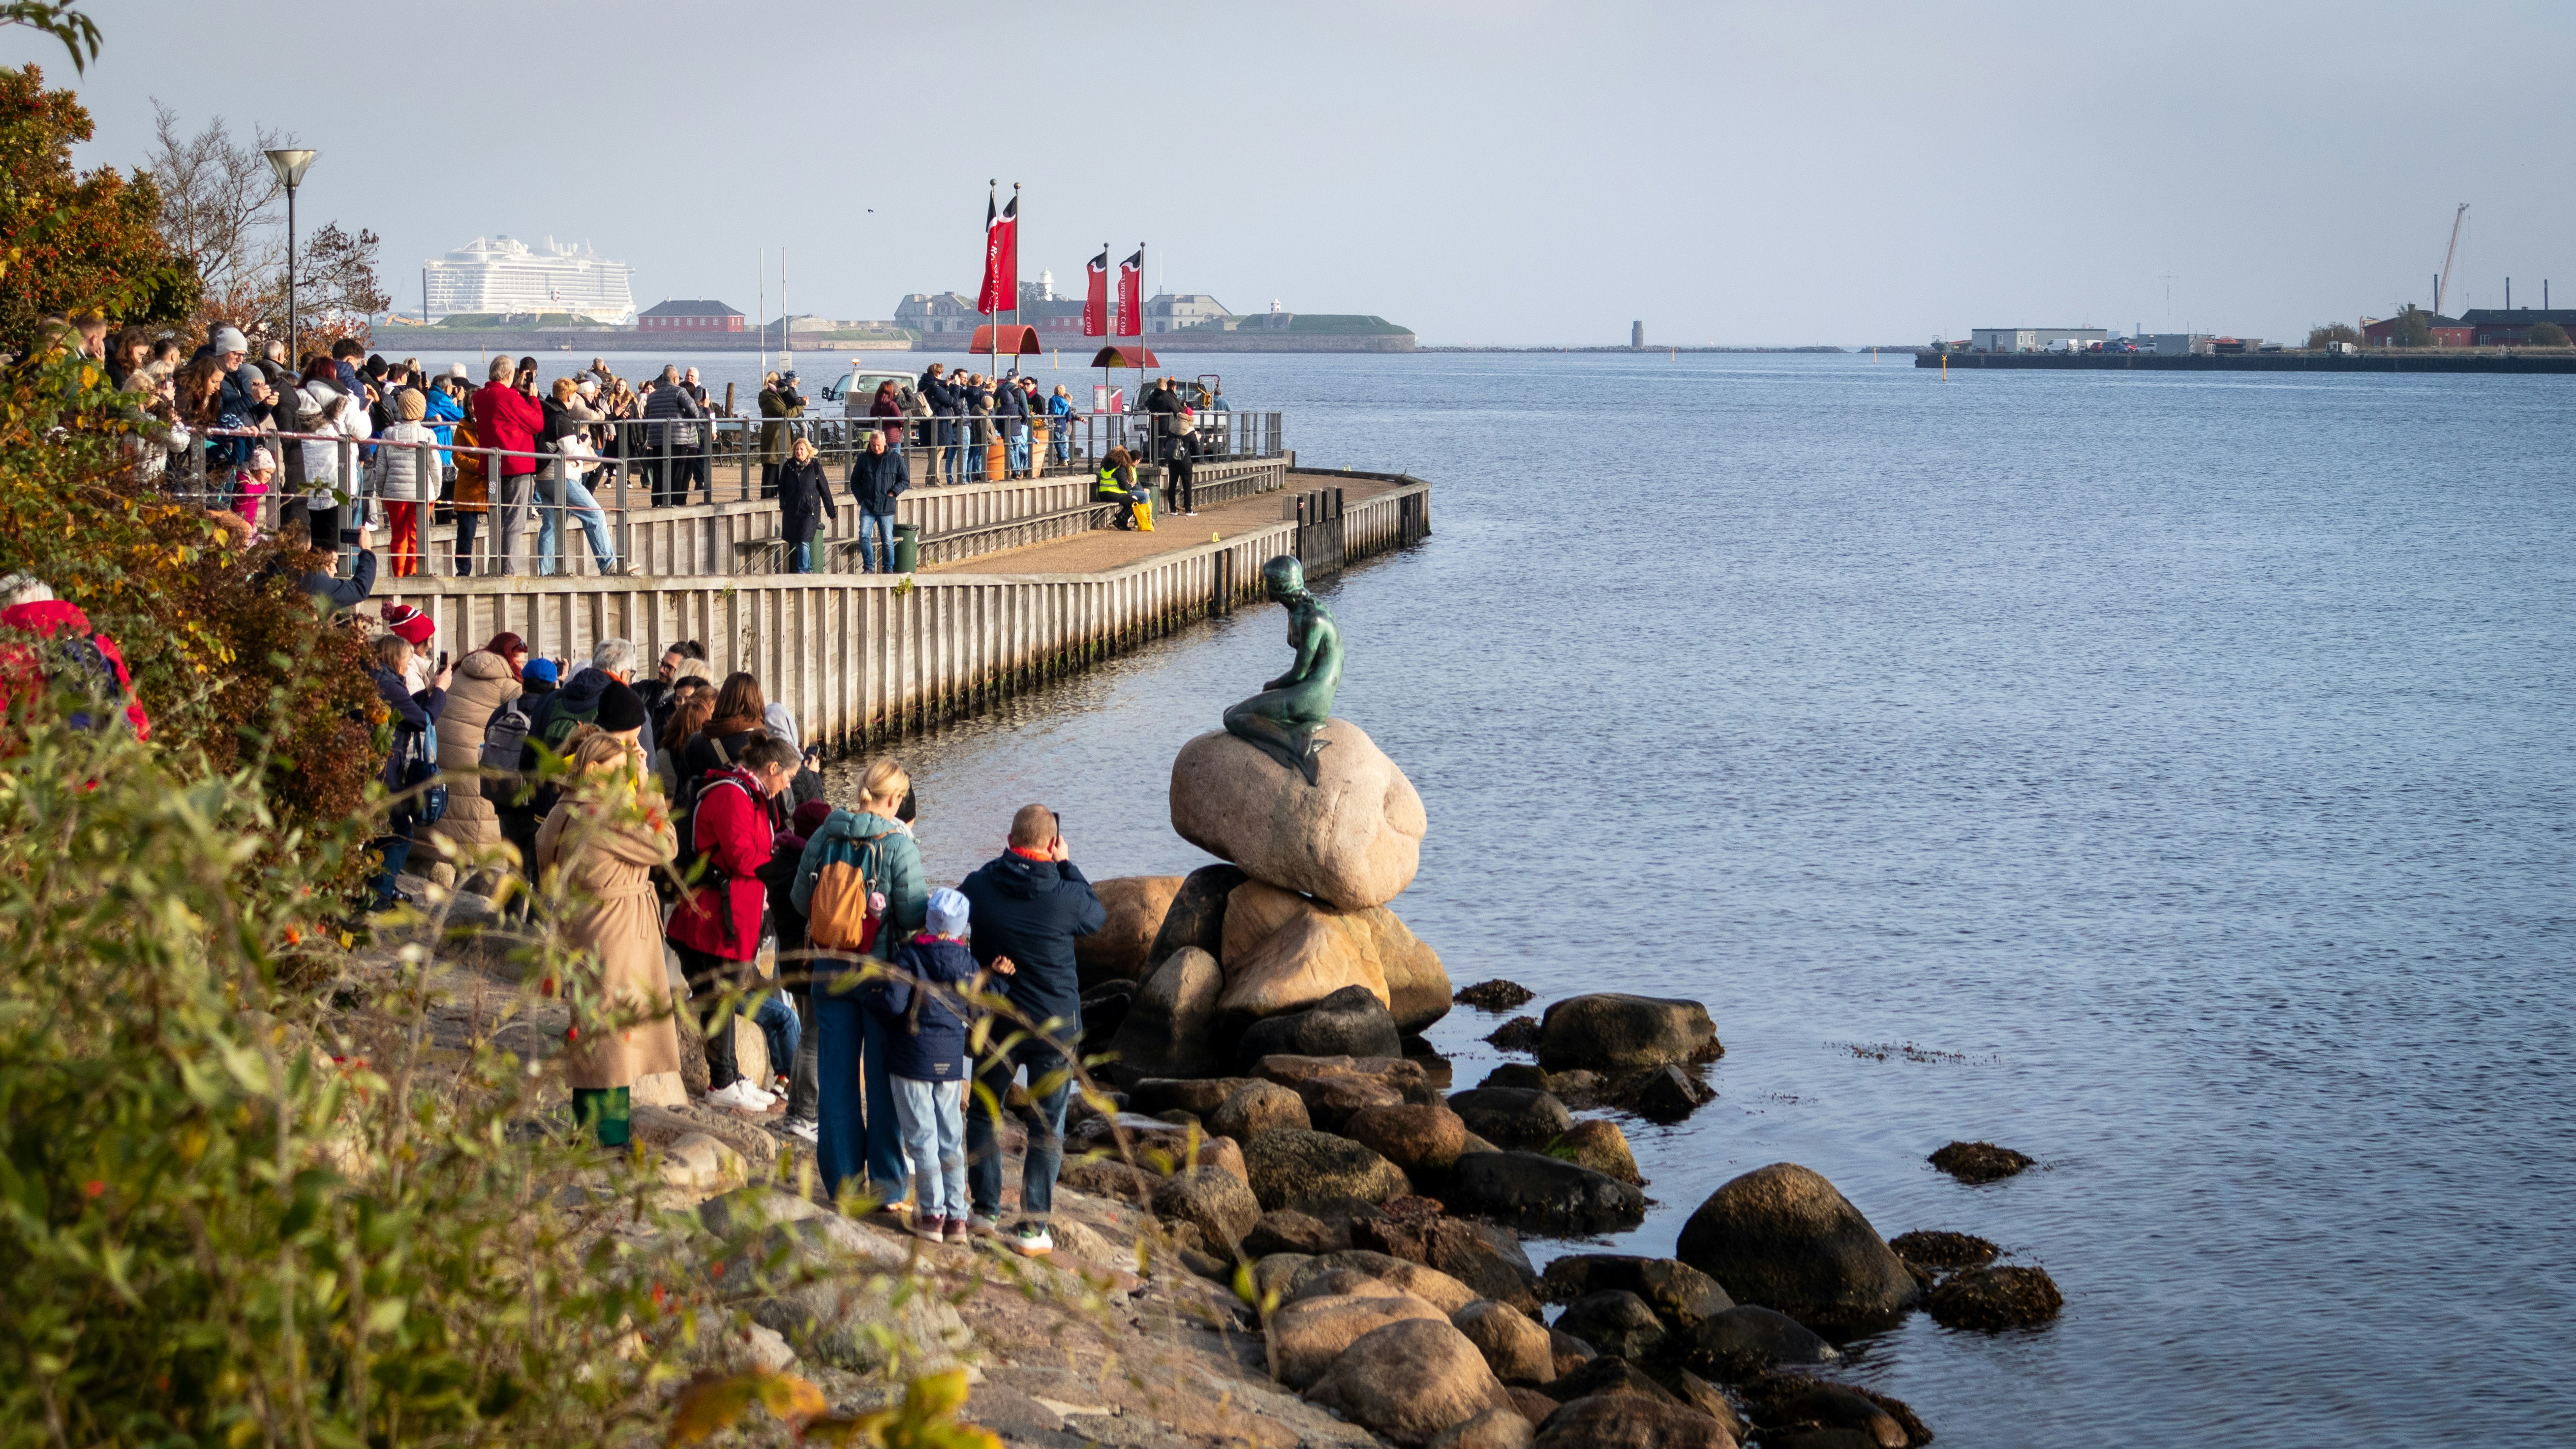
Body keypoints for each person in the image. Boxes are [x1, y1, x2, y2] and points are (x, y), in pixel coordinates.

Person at [957, 803, 1105, 1254]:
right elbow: (1097, 916)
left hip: (997, 1021)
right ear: (1051, 844)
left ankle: (983, 1210)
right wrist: (1067, 864)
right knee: (1047, 1126)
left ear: (1009, 841)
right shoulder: (1066, 895)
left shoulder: (981, 885)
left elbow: (963, 900)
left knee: (985, 1113)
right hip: (1054, 1027)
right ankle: (1033, 1226)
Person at [534, 720, 680, 1148]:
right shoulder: (609, 813)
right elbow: (665, 846)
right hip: (617, 928)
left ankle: (585, 1129)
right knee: (616, 1040)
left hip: (581, 922)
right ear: (595, 770)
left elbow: (545, 861)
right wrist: (650, 791)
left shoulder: (565, 807)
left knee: (590, 1028)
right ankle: (609, 1136)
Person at [792, 757, 925, 1207]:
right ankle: (888, 1184)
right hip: (880, 976)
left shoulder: (826, 834)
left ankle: (843, 1184)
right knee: (884, 1080)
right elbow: (913, 915)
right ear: (896, 799)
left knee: (836, 1077)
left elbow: (798, 899)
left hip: (829, 969)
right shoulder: (898, 845)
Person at [668, 730, 797, 1112]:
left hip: (732, 915)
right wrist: (779, 865)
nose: (788, 784)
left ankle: (729, 1074)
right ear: (772, 768)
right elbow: (743, 856)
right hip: (717, 917)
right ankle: (722, 1080)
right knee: (721, 998)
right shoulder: (733, 795)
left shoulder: (750, 794)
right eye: (787, 776)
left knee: (725, 996)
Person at [875, 886, 980, 1242]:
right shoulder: (968, 963)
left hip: (912, 1059)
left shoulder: (909, 958)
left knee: (923, 1138)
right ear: (962, 928)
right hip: (950, 1063)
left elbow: (892, 1005)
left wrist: (876, 993)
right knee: (952, 1138)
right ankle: (958, 1218)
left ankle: (932, 1215)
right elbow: (978, 1010)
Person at [758, 795, 834, 1143]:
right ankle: (806, 1113)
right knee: (814, 1037)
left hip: (789, 958)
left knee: (806, 1032)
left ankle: (794, 1111)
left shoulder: (783, 858)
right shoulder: (810, 866)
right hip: (809, 959)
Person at [426, 631, 526, 877]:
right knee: (475, 820)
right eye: (520, 662)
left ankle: (439, 862)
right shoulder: (509, 686)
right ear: (508, 658)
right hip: (474, 759)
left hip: (442, 753)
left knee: (450, 811)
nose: (522, 667)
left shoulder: (460, 669)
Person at [367, 631, 452, 912]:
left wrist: (428, 692)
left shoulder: (376, 678)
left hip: (374, 769)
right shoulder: (388, 685)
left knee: (380, 834)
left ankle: (371, 889)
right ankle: (377, 896)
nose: (408, 665)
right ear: (396, 658)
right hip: (383, 773)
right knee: (400, 833)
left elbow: (406, 710)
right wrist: (440, 691)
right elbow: (423, 720)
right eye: (406, 660)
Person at [471, 356, 544, 575]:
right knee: (515, 520)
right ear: (511, 375)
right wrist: (532, 398)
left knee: (498, 517)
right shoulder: (510, 397)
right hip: (516, 463)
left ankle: (496, 565)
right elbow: (537, 423)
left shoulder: (480, 396)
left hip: (493, 464)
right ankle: (507, 569)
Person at [369, 389, 437, 576]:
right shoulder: (428, 435)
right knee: (417, 536)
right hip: (423, 493)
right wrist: (436, 491)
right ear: (422, 412)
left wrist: (383, 492)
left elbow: (381, 468)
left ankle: (398, 576)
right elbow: (435, 467)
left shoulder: (389, 434)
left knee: (398, 536)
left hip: (395, 492)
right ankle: (414, 574)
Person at [642, 365, 707, 506]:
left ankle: (658, 502)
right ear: (676, 379)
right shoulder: (680, 392)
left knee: (659, 473)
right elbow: (695, 412)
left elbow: (647, 414)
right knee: (678, 473)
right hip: (679, 438)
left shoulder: (653, 396)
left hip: (657, 439)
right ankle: (676, 503)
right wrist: (702, 406)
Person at [847, 429, 905, 573]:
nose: (876, 448)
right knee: (864, 535)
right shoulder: (863, 459)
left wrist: (894, 492)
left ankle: (888, 569)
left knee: (887, 540)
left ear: (885, 442)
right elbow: (855, 481)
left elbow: (905, 480)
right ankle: (869, 567)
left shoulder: (895, 459)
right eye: (873, 445)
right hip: (868, 504)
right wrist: (861, 499)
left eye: (879, 445)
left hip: (887, 505)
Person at [776, 435, 834, 575]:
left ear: (808, 451)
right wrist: (783, 504)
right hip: (792, 510)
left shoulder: (815, 468)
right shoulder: (788, 466)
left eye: (802, 449)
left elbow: (825, 490)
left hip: (810, 511)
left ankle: (802, 570)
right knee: (797, 541)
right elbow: (782, 487)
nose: (799, 452)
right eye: (797, 449)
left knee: (803, 539)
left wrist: (831, 511)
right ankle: (808, 569)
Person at [1094, 446, 1150, 531]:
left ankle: (1121, 518)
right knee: (1134, 503)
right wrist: (1131, 485)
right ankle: (1121, 521)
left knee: (1131, 501)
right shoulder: (1120, 469)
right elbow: (1125, 487)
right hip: (1113, 494)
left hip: (1104, 493)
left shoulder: (1105, 468)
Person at [1164, 409, 1198, 517]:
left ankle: (1173, 510)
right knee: (1187, 486)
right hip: (1185, 462)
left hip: (1173, 461)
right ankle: (1188, 510)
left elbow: (1166, 444)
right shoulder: (1190, 432)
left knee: (1172, 485)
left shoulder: (1172, 429)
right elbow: (1197, 451)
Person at [1047, 384, 1075, 467]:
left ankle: (1063, 459)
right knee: (1063, 442)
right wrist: (1065, 421)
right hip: (1063, 423)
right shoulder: (1066, 401)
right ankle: (1066, 459)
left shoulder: (1053, 400)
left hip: (1056, 422)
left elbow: (1051, 411)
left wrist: (1050, 421)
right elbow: (1069, 414)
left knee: (1058, 442)